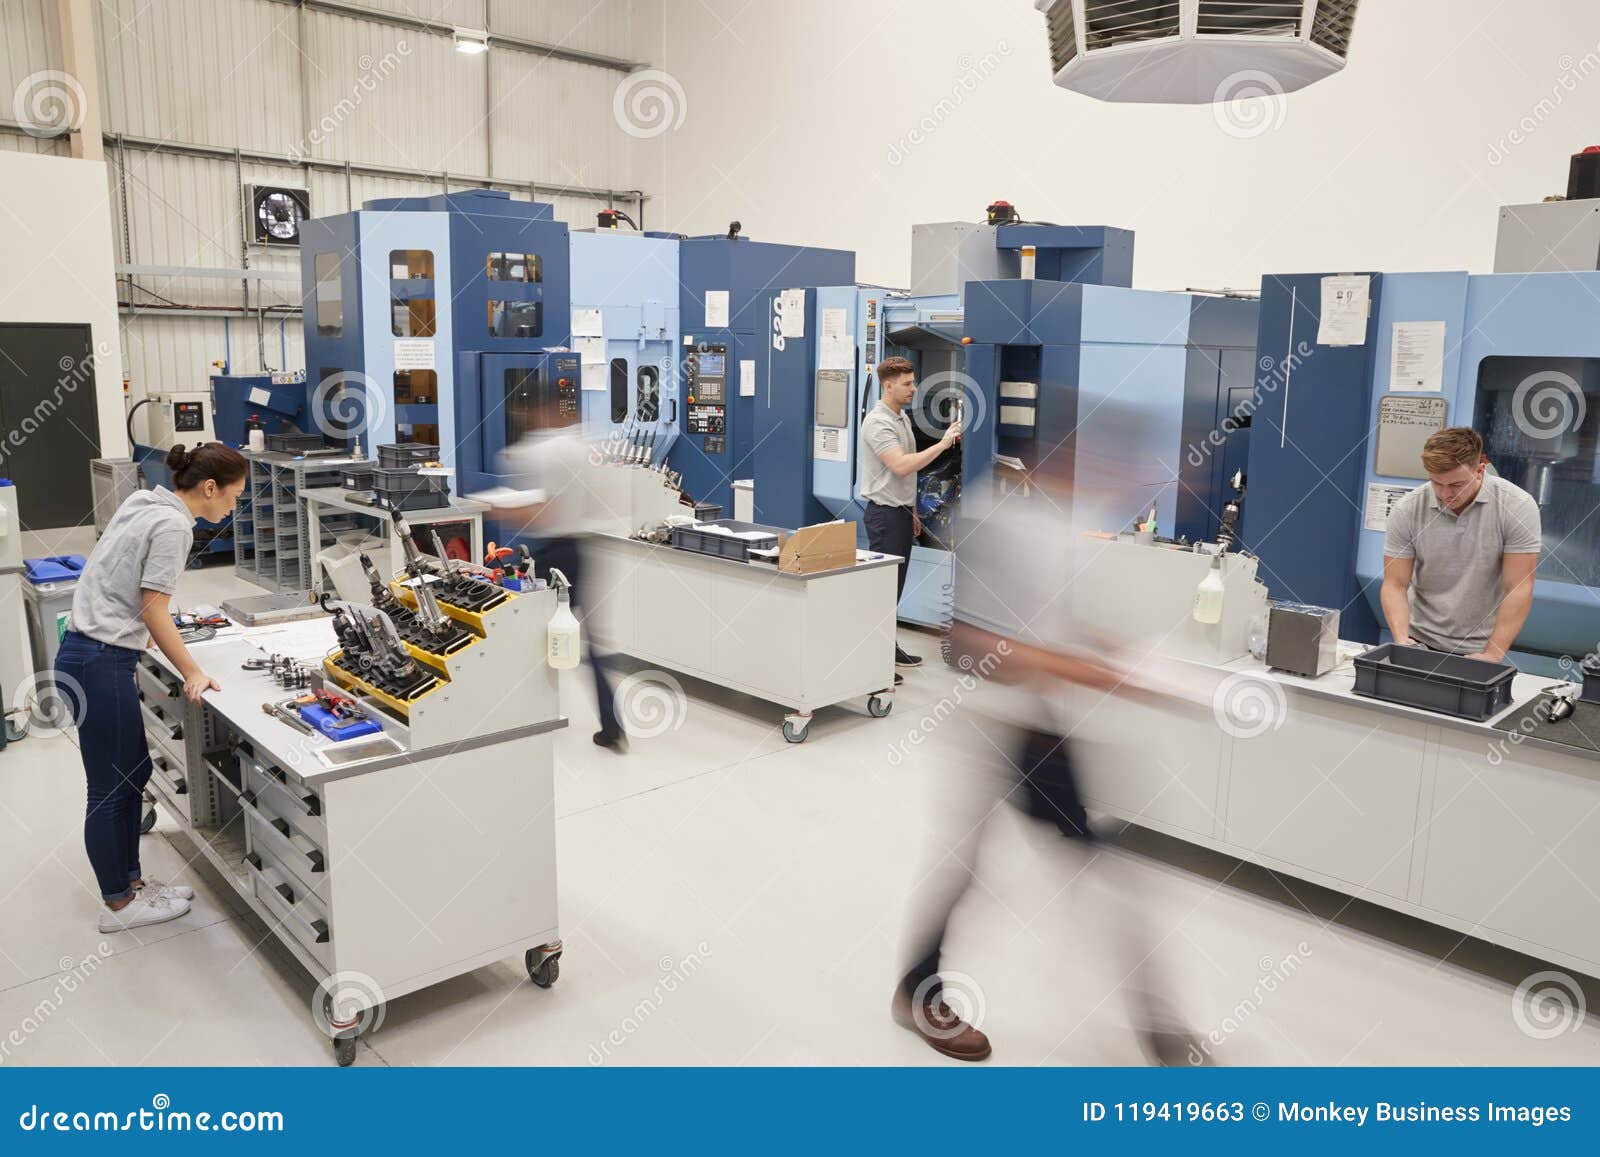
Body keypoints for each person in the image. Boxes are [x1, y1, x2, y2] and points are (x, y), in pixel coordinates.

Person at [891, 450, 1201, 1065]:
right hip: (990, 725)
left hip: (1038, 727)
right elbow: (969, 645)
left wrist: (1131, 660)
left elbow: (1061, 621)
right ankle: (916, 993)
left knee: (1096, 865)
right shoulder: (995, 521)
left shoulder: (1068, 532)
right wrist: (1083, 670)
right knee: (973, 866)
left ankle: (1158, 1025)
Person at [56, 443, 245, 932]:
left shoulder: (145, 501)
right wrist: (193, 671)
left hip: (92, 653)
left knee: (133, 772)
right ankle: (118, 904)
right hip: (100, 658)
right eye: (234, 496)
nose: (233, 507)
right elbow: (151, 608)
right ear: (209, 488)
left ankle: (134, 885)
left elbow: (130, 584)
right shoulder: (174, 525)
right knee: (109, 788)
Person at [488, 396, 624, 750]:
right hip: (583, 549)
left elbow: (544, 512)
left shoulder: (539, 452)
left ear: (538, 411)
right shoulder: (584, 447)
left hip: (553, 556)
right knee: (590, 645)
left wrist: (497, 509)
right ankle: (611, 726)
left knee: (525, 633)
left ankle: (522, 717)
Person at [1380, 427, 1541, 661]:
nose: (1445, 494)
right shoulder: (1407, 509)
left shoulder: (1517, 506)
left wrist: (1493, 654)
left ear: (1480, 470)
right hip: (1419, 639)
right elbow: (1394, 584)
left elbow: (1519, 588)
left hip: (1482, 646)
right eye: (1436, 483)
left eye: (1456, 484)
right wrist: (1402, 640)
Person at [859, 357, 961, 677]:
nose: (913, 389)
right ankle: (874, 660)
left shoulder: (900, 418)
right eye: (907, 384)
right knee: (884, 591)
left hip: (901, 514)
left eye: (913, 382)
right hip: (885, 516)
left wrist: (913, 510)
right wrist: (944, 444)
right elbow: (902, 466)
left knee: (895, 589)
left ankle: (888, 648)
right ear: (888, 385)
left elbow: (908, 478)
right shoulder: (878, 423)